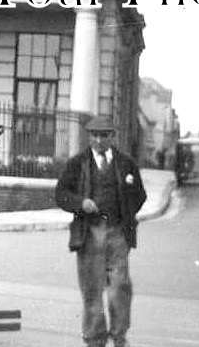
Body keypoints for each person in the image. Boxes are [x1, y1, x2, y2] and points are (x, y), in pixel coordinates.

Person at [56, 115, 147, 347]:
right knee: (92, 290)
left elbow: (139, 195)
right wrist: (81, 203)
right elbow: (61, 194)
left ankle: (119, 336)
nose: (99, 140)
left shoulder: (126, 163)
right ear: (89, 136)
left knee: (119, 287)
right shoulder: (78, 163)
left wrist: (125, 216)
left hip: (117, 233)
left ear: (112, 137)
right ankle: (95, 339)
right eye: (95, 135)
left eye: (104, 135)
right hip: (89, 234)